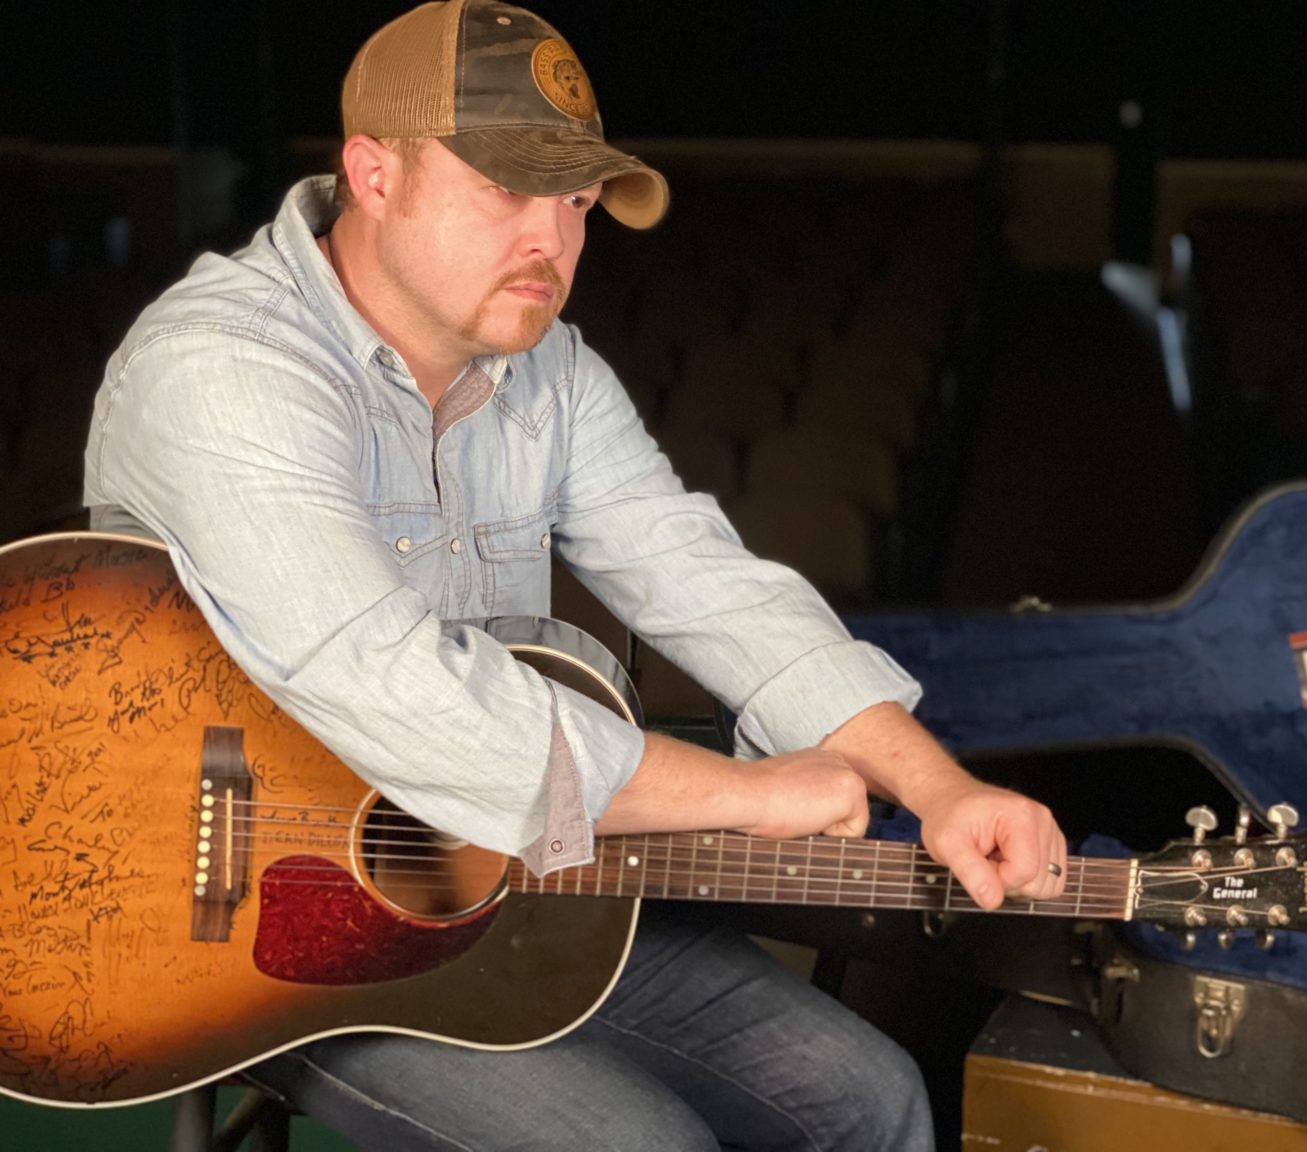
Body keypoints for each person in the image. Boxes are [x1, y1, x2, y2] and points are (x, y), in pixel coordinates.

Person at [83, 2, 1067, 1148]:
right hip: (250, 928)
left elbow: (704, 580)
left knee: (873, 1096)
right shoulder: (222, 367)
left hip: (503, 877)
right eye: (508, 189)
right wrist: (748, 798)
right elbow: (396, 687)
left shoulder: (547, 369)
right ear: (373, 173)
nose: (553, 239)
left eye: (580, 201)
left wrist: (938, 790)